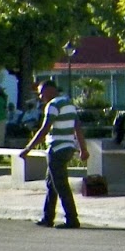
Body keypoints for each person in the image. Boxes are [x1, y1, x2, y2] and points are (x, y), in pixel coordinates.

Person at [20, 78, 88, 229]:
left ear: (50, 90)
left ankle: (72, 219)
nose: (40, 97)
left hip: (56, 149)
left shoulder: (53, 105)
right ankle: (47, 217)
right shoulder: (69, 104)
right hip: (68, 148)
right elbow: (78, 128)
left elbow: (45, 129)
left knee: (61, 185)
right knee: (51, 184)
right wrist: (83, 149)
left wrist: (28, 148)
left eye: (41, 93)